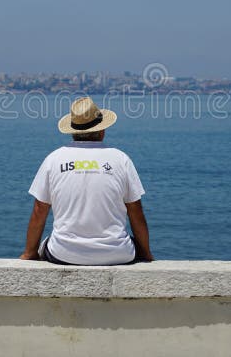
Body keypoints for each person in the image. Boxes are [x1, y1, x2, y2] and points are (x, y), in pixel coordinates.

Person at [19, 96, 153, 265]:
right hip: (116, 253)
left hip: (64, 254)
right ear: (102, 131)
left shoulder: (54, 159)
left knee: (44, 245)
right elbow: (136, 211)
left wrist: (29, 253)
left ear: (73, 132)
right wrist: (146, 254)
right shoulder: (121, 159)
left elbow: (40, 210)